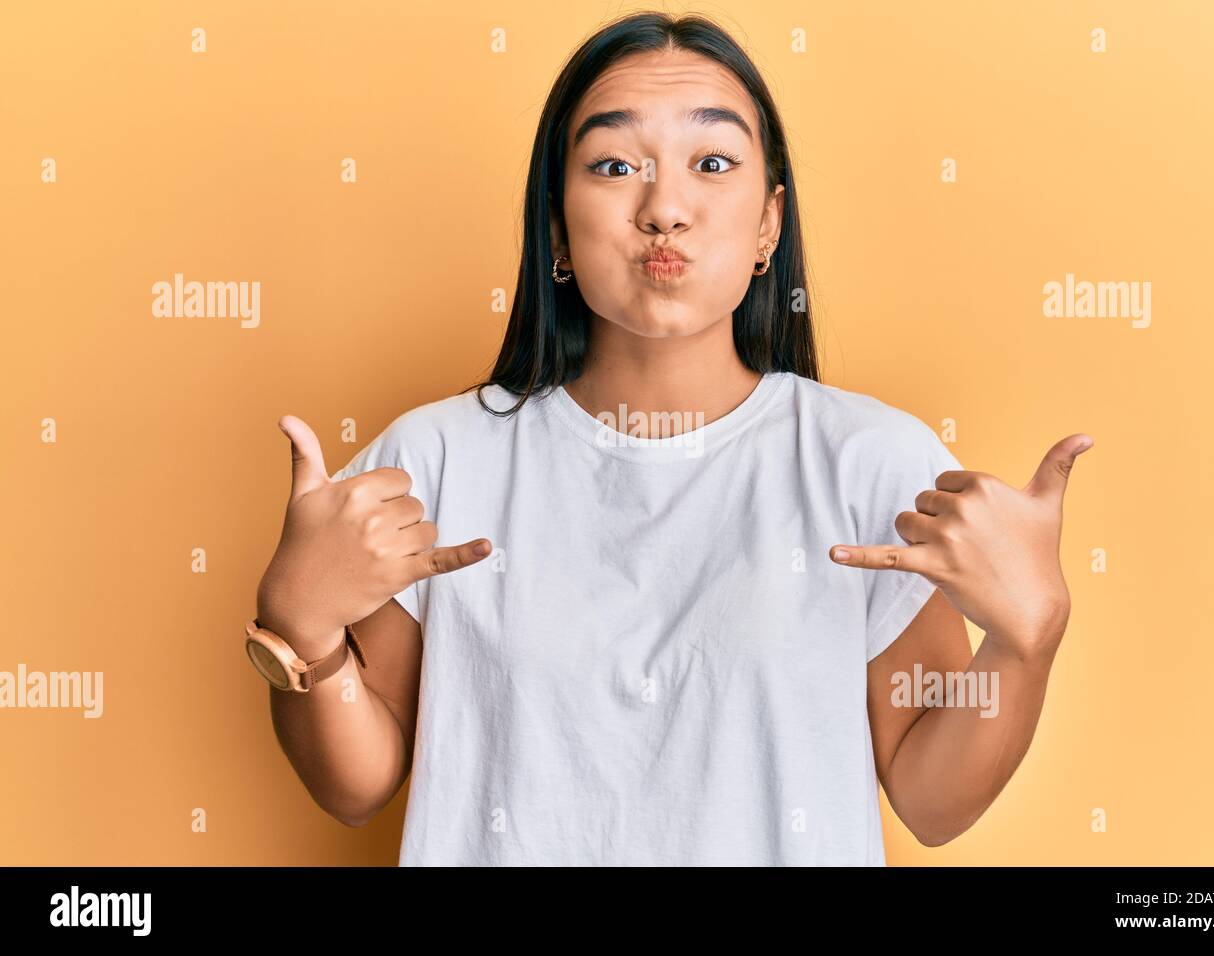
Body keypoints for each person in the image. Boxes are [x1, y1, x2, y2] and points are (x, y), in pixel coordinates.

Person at [253, 11, 1090, 866]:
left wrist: (1028, 642)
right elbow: (354, 787)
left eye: (713, 163)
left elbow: (932, 800)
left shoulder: (872, 465)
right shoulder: (435, 461)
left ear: (769, 223)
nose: (664, 209)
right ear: (555, 228)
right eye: (615, 166)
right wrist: (299, 629)